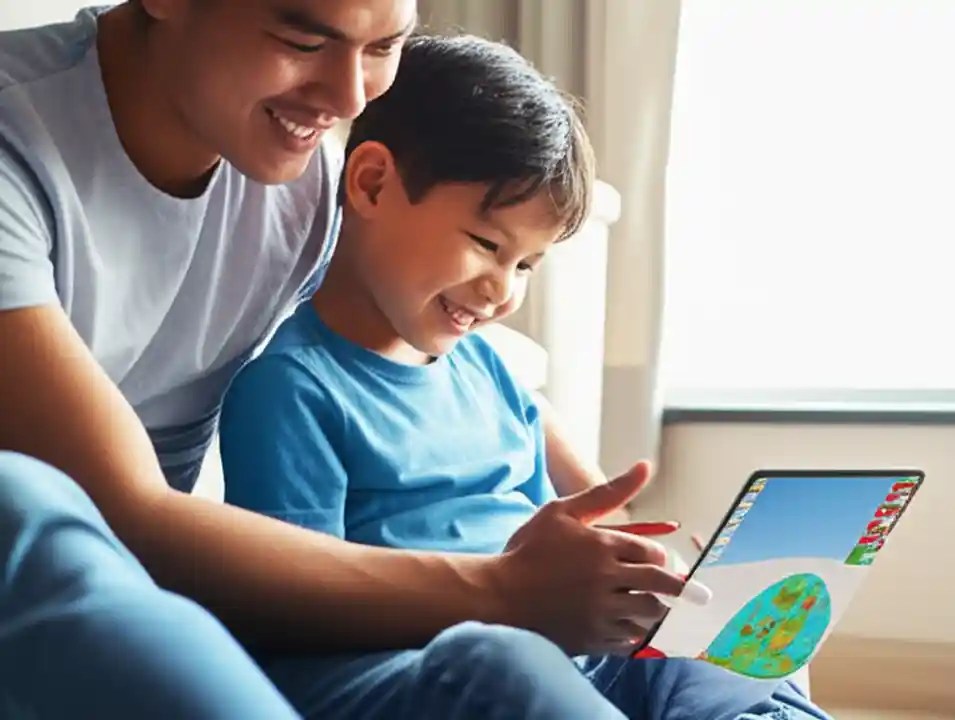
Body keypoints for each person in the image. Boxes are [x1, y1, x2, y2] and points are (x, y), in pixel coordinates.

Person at [0, 1, 695, 717]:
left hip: (152, 582)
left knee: (702, 665)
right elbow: (126, 516)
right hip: (70, 569)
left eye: (385, 47)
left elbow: (423, 313)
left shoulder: (296, 163)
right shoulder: (18, 144)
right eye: (303, 39)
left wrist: (590, 503)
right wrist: (505, 590)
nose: (350, 99)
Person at [217, 33, 831, 720]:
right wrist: (513, 605)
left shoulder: (488, 369)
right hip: (422, 664)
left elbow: (577, 522)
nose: (502, 291)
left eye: (527, 266)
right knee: (501, 659)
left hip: (566, 653)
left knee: (748, 630)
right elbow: (294, 612)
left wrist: (641, 586)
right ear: (371, 184)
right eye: (486, 244)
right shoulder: (292, 386)